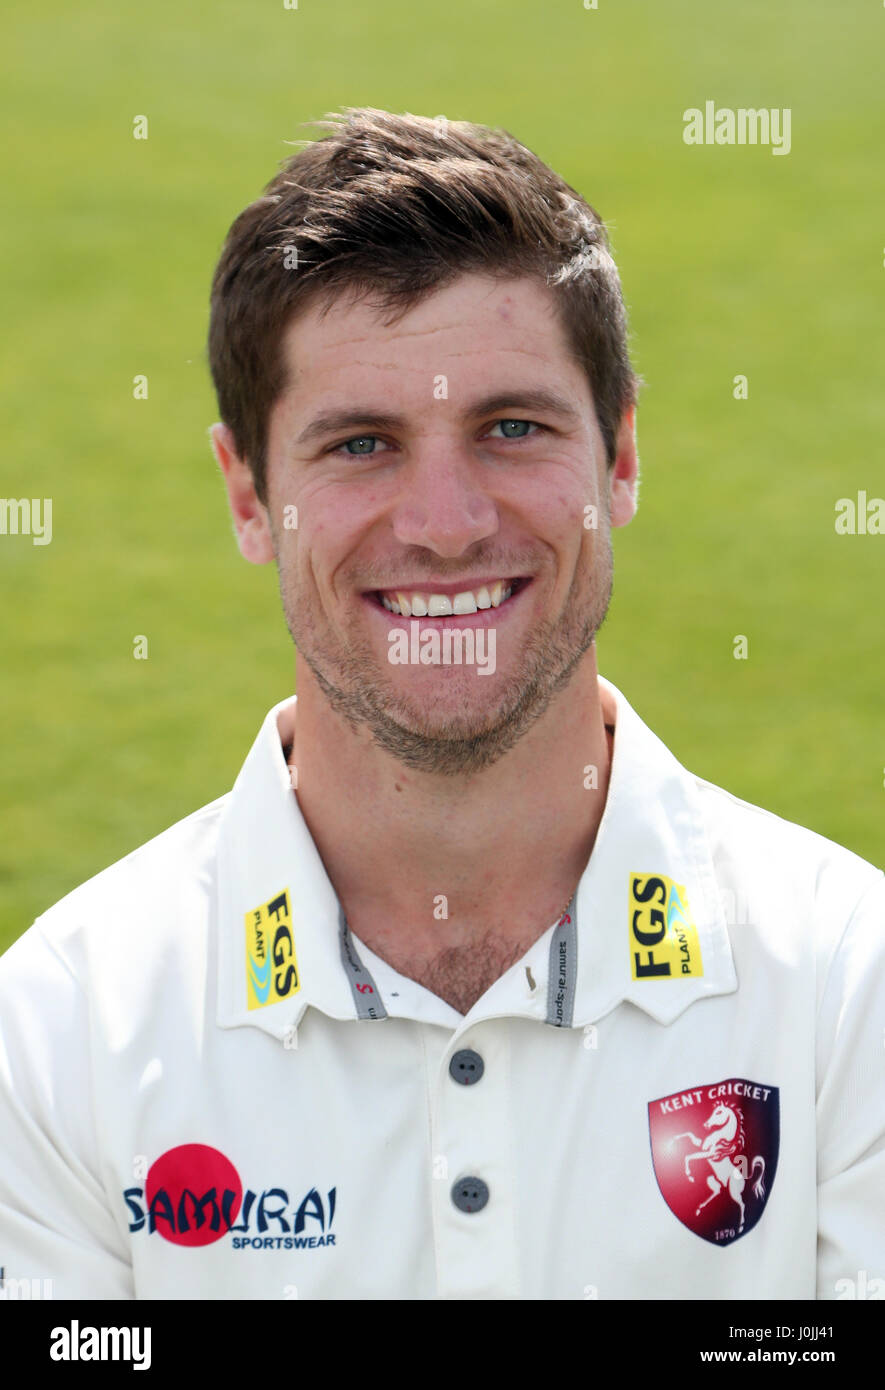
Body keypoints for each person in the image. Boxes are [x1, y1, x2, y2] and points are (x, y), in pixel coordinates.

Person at [0, 107, 882, 1302]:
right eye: (362, 444)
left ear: (621, 456)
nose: (447, 522)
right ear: (249, 496)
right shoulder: (57, 1033)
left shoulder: (850, 987)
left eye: (511, 428)